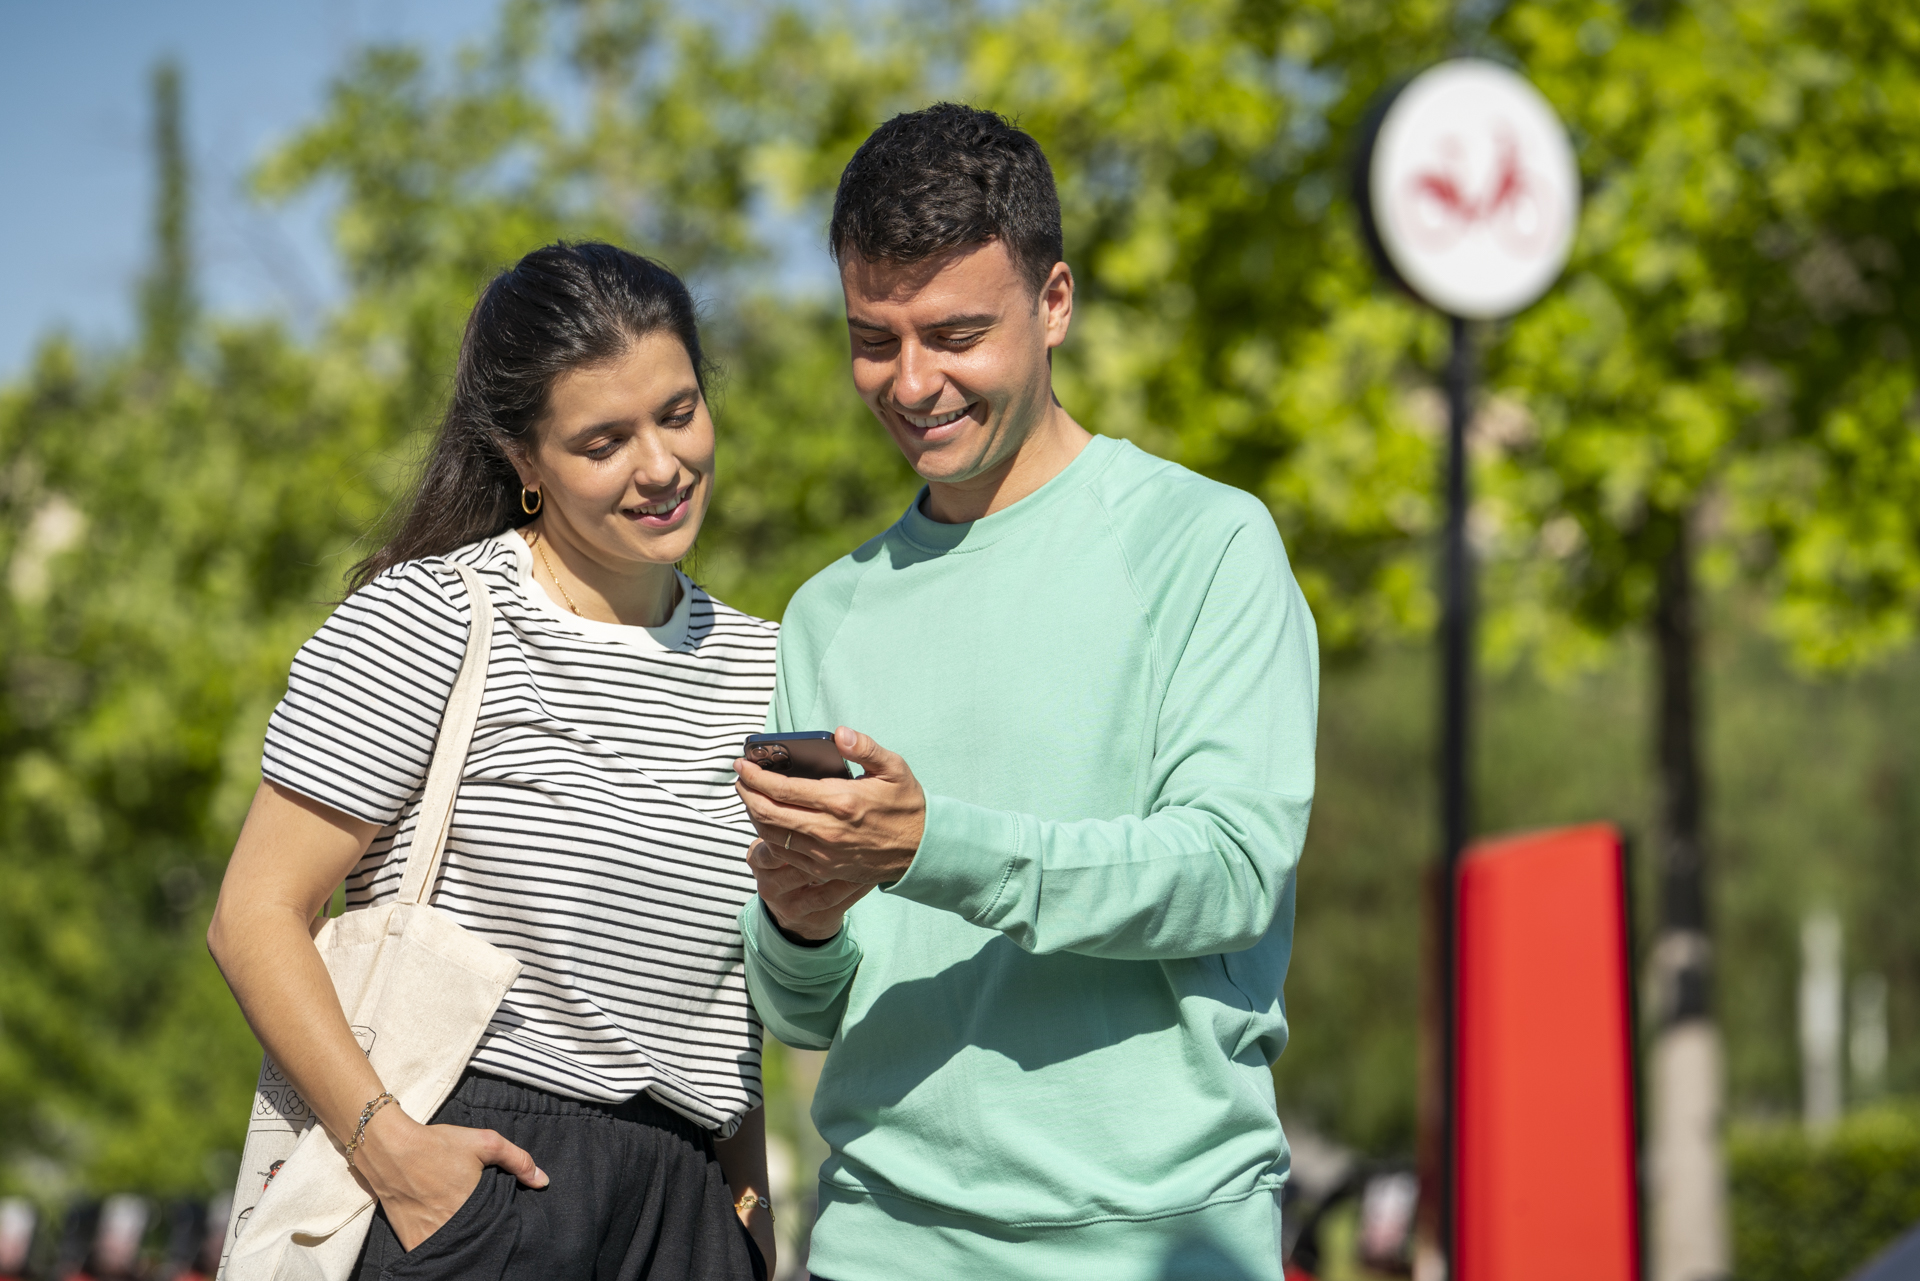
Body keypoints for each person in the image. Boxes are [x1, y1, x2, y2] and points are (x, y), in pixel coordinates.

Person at [733, 104, 1320, 1281]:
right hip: (879, 1245)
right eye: (873, 338)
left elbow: (1232, 874)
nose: (911, 383)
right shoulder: (823, 614)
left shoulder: (1205, 545)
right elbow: (805, 1010)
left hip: (1163, 1243)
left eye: (956, 334)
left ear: (1055, 303)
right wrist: (801, 919)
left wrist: (930, 846)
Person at [209, 242, 776, 1281]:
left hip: (691, 1204)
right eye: (603, 441)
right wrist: (401, 1161)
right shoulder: (437, 618)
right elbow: (252, 914)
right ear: (525, 461)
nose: (659, 466)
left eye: (679, 412)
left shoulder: (770, 668)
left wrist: (746, 1225)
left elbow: (734, 998)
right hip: (481, 1187)